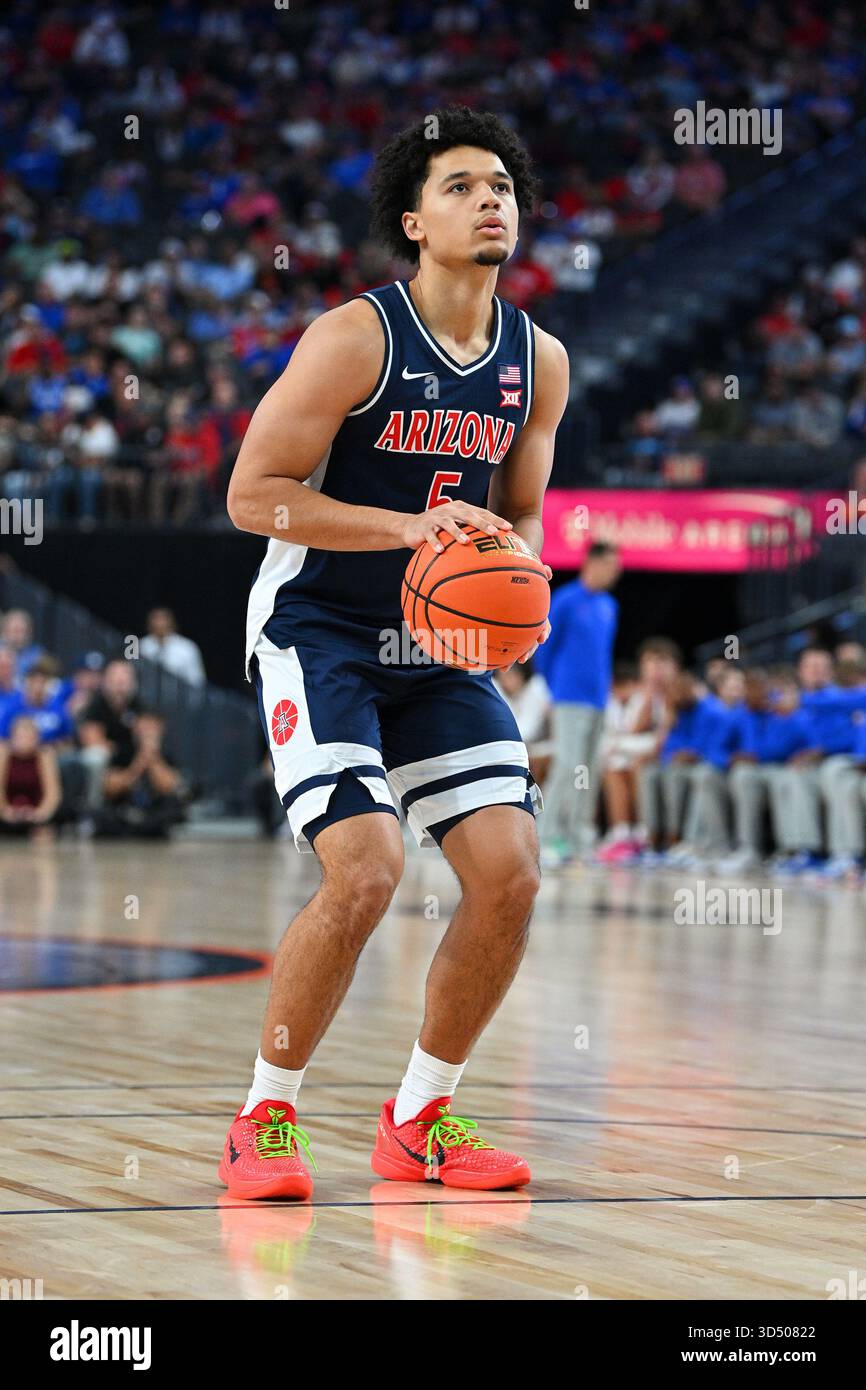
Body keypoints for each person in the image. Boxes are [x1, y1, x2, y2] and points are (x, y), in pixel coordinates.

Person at [222, 105, 569, 1199]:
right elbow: (251, 496)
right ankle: (263, 1116)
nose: (489, 199)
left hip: (438, 646)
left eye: (501, 185)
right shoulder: (353, 337)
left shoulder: (537, 362)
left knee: (510, 876)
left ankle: (422, 1115)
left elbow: (518, 517)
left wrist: (514, 584)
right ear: (414, 221)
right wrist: (403, 529)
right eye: (462, 185)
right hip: (318, 626)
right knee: (367, 868)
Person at [532, 541, 621, 866]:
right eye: (611, 565)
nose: (616, 572)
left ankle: (576, 840)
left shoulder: (609, 606)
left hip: (598, 700)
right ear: (593, 563)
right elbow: (545, 646)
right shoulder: (568, 599)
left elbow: (603, 656)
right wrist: (552, 690)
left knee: (590, 770)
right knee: (568, 767)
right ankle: (546, 836)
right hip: (568, 698)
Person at [95, 711, 188, 839]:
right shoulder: (123, 753)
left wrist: (153, 758)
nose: (147, 733)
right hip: (124, 811)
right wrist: (139, 763)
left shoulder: (167, 755)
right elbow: (111, 788)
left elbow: (168, 787)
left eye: (152, 728)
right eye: (144, 728)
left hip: (154, 814)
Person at [0, 715, 61, 840]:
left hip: (36, 812)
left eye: (30, 737)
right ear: (13, 737)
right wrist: (6, 811)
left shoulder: (45, 756)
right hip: (7, 812)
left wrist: (40, 814)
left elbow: (53, 793)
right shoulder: (3, 755)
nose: (25, 741)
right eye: (21, 737)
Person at [493, 661, 553, 788]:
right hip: (517, 747)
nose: (505, 681)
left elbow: (525, 732)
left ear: (522, 674)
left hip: (542, 745)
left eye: (510, 676)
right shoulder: (498, 687)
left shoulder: (536, 687)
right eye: (501, 677)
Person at [140, 607, 206, 687]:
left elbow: (196, 680)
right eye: (156, 620)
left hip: (179, 695)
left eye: (163, 620)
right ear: (149, 624)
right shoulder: (141, 646)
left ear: (171, 623)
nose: (159, 624)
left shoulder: (187, 647)